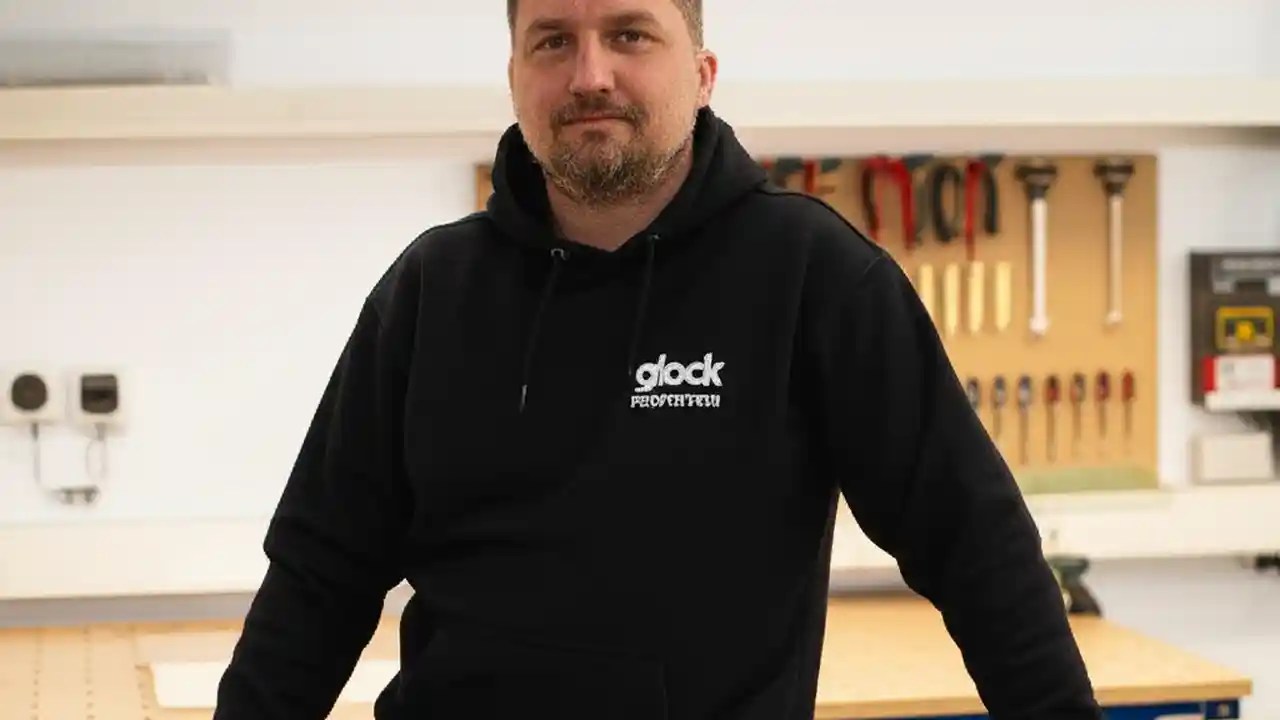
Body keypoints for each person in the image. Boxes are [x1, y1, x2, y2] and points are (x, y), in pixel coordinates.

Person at [213, 0, 1102, 717]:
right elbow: (319, 576)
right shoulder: (431, 289)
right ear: (516, 77)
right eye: (552, 41)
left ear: (704, 74)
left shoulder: (813, 277)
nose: (589, 74)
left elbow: (975, 548)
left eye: (629, 34)